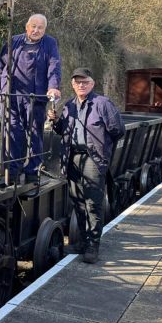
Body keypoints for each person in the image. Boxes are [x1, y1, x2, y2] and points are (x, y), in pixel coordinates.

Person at [47, 67, 124, 264]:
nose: (81, 85)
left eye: (85, 82)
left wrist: (102, 149)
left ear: (92, 83)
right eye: (77, 82)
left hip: (93, 158)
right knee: (78, 201)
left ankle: (93, 246)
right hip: (72, 157)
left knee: (93, 202)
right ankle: (82, 242)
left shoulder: (102, 104)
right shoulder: (69, 105)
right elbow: (62, 131)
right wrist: (55, 121)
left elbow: (118, 130)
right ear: (72, 84)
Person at [0, 13, 61, 184]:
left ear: (44, 30)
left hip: (36, 96)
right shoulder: (14, 41)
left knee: (34, 133)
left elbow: (54, 66)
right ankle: (11, 171)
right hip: (12, 95)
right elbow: (1, 66)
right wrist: (2, 87)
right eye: (33, 26)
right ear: (27, 27)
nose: (36, 30)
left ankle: (33, 170)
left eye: (40, 27)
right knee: (12, 132)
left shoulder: (50, 43)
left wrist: (53, 86)